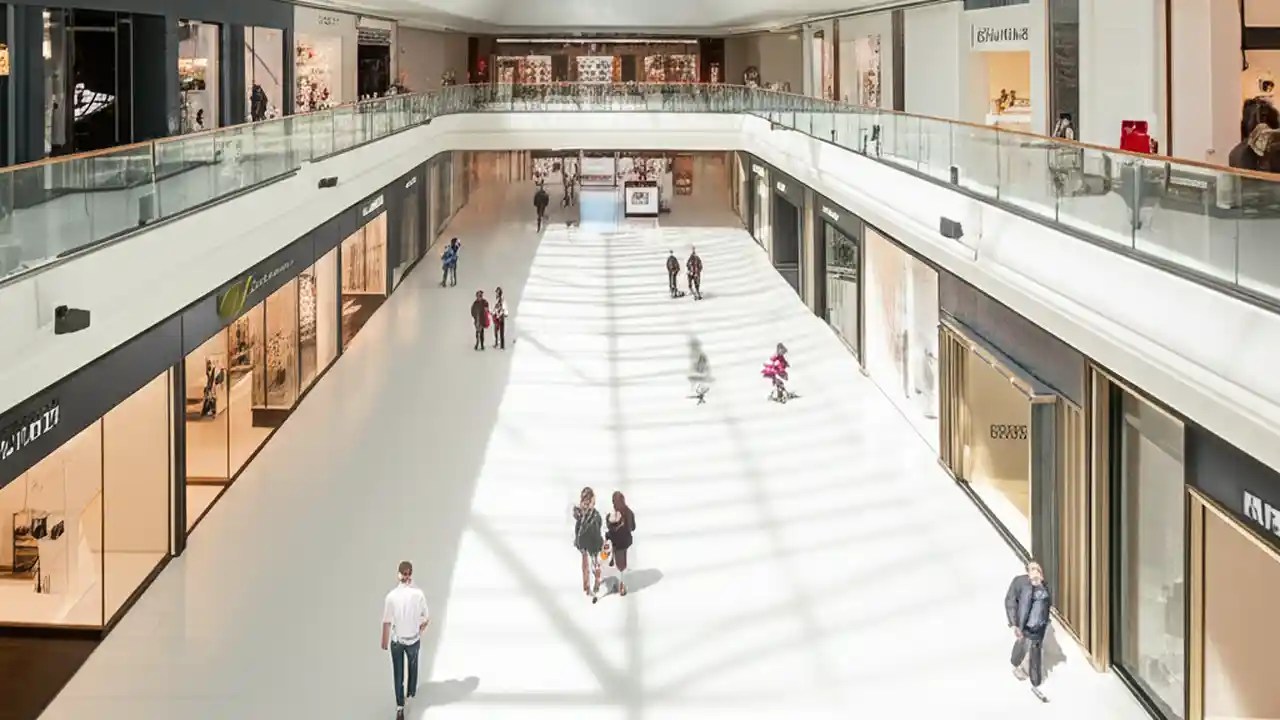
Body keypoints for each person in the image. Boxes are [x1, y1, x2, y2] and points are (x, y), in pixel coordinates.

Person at [381, 560, 429, 719]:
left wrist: (384, 641)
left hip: (397, 640)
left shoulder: (391, 596)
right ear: (410, 575)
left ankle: (400, 705)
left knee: (398, 673)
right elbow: (425, 617)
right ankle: (410, 694)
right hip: (413, 639)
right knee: (413, 668)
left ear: (399, 575)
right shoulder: (418, 594)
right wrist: (419, 629)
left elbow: (387, 621)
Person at [1005, 560, 1053, 697]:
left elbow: (1046, 606)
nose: (1036, 573)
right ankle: (1015, 661)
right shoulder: (1021, 584)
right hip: (1024, 625)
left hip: (1038, 628)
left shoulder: (1044, 588)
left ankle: (1036, 681)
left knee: (1035, 653)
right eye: (1033, 569)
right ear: (1028, 572)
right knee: (1022, 643)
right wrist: (1014, 623)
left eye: (1038, 570)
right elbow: (1010, 601)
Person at [572, 487, 605, 597]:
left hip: (593, 543)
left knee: (594, 564)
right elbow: (578, 527)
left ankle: (597, 581)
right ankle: (586, 586)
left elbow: (597, 528)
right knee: (585, 566)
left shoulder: (595, 516)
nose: (586, 504)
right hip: (583, 542)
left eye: (588, 502)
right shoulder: (581, 514)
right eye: (584, 501)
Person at [605, 492, 637, 597]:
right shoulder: (630, 513)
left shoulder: (611, 515)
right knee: (623, 565)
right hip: (626, 542)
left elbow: (609, 527)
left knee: (618, 565)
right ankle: (622, 584)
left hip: (616, 543)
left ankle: (620, 585)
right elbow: (633, 527)